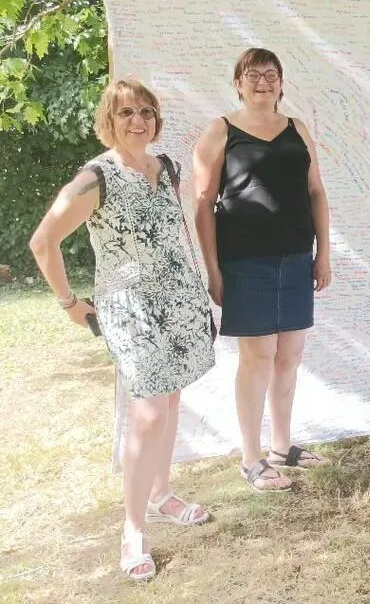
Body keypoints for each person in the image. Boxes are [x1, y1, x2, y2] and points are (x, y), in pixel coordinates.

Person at [29, 79, 215, 582]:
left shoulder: (166, 168)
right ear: (108, 121)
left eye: (146, 112)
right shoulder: (96, 178)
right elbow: (43, 241)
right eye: (127, 112)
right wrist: (69, 302)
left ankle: (161, 494)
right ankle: (132, 530)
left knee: (171, 401)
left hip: (179, 300)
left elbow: (174, 237)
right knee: (149, 414)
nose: (139, 121)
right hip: (130, 309)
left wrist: (201, 290)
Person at [193, 48, 332, 492]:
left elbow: (316, 193)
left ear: (281, 83)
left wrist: (323, 252)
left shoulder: (297, 129)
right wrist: (213, 269)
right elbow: (201, 205)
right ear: (238, 82)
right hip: (243, 262)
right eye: (253, 74)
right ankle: (250, 458)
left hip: (295, 258)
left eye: (271, 74)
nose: (262, 81)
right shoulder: (221, 130)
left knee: (289, 357)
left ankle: (282, 447)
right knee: (258, 358)